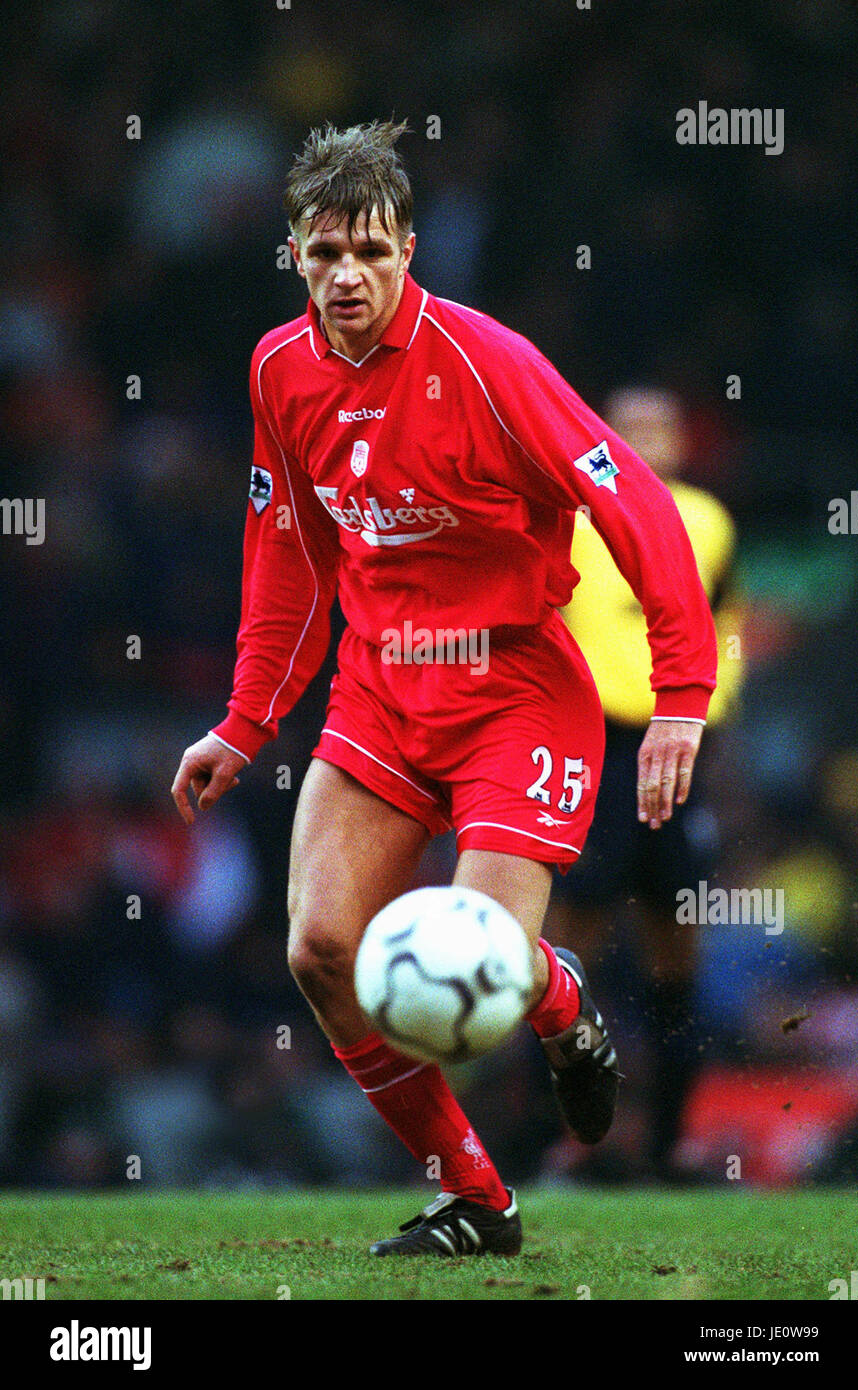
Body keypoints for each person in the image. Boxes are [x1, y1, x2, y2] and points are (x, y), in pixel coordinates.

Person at [171, 121, 717, 1257]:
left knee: (483, 963)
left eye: (369, 251)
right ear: (296, 259)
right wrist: (245, 719)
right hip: (377, 692)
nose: (346, 276)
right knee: (320, 949)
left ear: (408, 250)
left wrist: (679, 690)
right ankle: (475, 1195)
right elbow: (286, 546)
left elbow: (635, 506)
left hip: (514, 691)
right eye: (323, 255)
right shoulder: (280, 370)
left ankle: (556, 998)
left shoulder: (488, 361)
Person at [555, 385, 740, 1179]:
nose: (643, 439)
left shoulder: (705, 520)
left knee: (675, 954)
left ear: (679, 440)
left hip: (679, 745)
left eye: (657, 427)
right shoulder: (564, 517)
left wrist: (709, 723)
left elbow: (719, 630)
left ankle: (669, 1147)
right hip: (587, 746)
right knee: (567, 954)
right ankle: (559, 1146)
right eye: (625, 427)